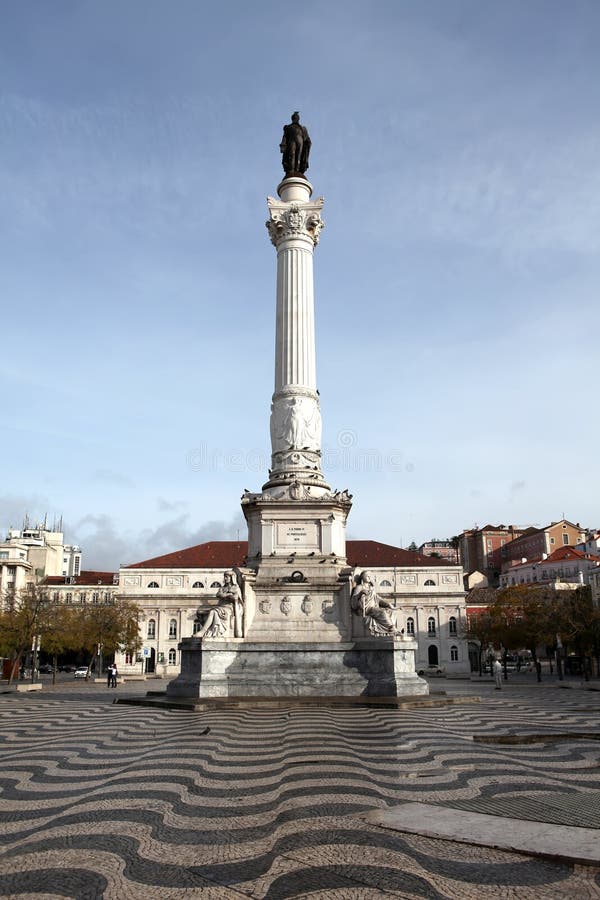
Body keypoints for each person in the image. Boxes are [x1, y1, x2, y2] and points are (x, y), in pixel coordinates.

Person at [350, 570, 401, 637]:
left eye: (369, 576)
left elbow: (378, 599)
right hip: (366, 608)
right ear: (363, 577)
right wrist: (360, 594)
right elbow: (353, 602)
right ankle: (391, 628)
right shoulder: (359, 587)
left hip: (374, 608)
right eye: (367, 575)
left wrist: (388, 604)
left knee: (390, 611)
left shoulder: (371, 588)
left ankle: (388, 630)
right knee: (382, 611)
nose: (369, 577)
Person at [196, 571, 243, 639]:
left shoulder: (235, 588)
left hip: (229, 608)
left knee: (213, 612)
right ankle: (208, 630)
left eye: (227, 577)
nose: (225, 578)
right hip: (220, 607)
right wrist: (228, 594)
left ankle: (203, 631)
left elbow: (235, 598)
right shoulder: (223, 588)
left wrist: (225, 595)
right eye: (225, 577)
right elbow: (218, 594)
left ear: (232, 578)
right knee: (200, 612)